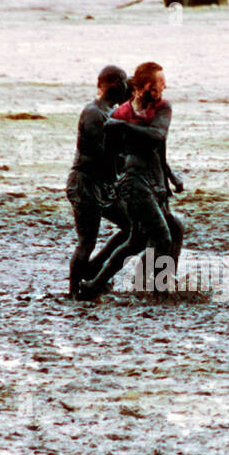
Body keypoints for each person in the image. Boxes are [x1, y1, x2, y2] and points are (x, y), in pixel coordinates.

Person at [77, 62, 184, 299]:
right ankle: (158, 290)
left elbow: (158, 138)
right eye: (159, 83)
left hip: (154, 180)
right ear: (147, 86)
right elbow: (113, 151)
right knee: (162, 236)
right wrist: (117, 181)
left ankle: (95, 285)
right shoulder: (121, 113)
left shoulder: (159, 109)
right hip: (133, 183)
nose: (164, 86)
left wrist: (169, 177)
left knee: (150, 236)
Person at [67, 65, 132, 297]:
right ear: (113, 84)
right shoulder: (95, 113)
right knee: (87, 241)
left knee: (132, 228)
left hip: (103, 185)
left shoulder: (110, 113)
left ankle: (95, 268)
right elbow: (104, 152)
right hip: (86, 183)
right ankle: (74, 291)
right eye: (124, 82)